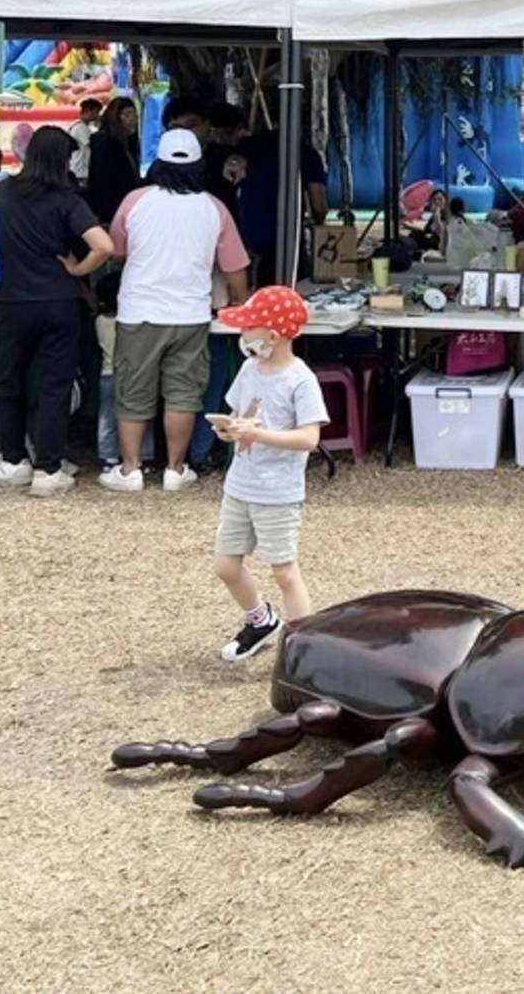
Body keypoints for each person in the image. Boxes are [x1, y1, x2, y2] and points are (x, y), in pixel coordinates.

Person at [99, 128, 252, 493]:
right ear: (199, 166)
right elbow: (235, 269)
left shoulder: (135, 201)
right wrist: (241, 301)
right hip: (191, 315)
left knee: (133, 391)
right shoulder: (214, 207)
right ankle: (175, 469)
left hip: (139, 311)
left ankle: (131, 469)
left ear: (158, 165)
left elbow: (116, 251)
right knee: (184, 393)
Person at [0, 128, 115, 497]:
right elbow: (104, 246)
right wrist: (77, 270)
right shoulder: (68, 200)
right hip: (59, 302)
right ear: (63, 161)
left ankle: (12, 459)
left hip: (11, 303)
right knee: (54, 385)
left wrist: (0, 272)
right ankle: (49, 468)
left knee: (7, 381)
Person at [209, 286, 329, 663]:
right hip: (240, 484)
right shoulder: (249, 369)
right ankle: (261, 620)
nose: (242, 335)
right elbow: (240, 412)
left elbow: (310, 438)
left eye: (248, 328)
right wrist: (229, 429)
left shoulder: (300, 379)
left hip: (277, 491)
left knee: (285, 572)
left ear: (272, 337)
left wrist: (255, 433)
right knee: (226, 565)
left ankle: (306, 649)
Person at [234, 118, 330, 286]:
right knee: (291, 289)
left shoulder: (247, 147)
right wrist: (319, 223)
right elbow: (319, 205)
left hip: (246, 235)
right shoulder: (305, 152)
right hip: (287, 236)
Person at [93, 269, 156, 472]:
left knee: (107, 417)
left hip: (109, 372)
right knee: (142, 415)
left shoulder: (100, 321)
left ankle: (108, 456)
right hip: (137, 373)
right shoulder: (137, 322)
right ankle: (143, 457)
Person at [84, 95, 142, 223]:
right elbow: (101, 182)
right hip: (111, 212)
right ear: (115, 117)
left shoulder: (129, 143)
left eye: (134, 115)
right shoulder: (105, 143)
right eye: (127, 115)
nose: (133, 120)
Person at [68, 98, 102, 183]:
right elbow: (93, 143)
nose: (97, 115)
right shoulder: (80, 128)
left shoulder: (82, 127)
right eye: (96, 112)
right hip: (81, 170)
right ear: (88, 111)